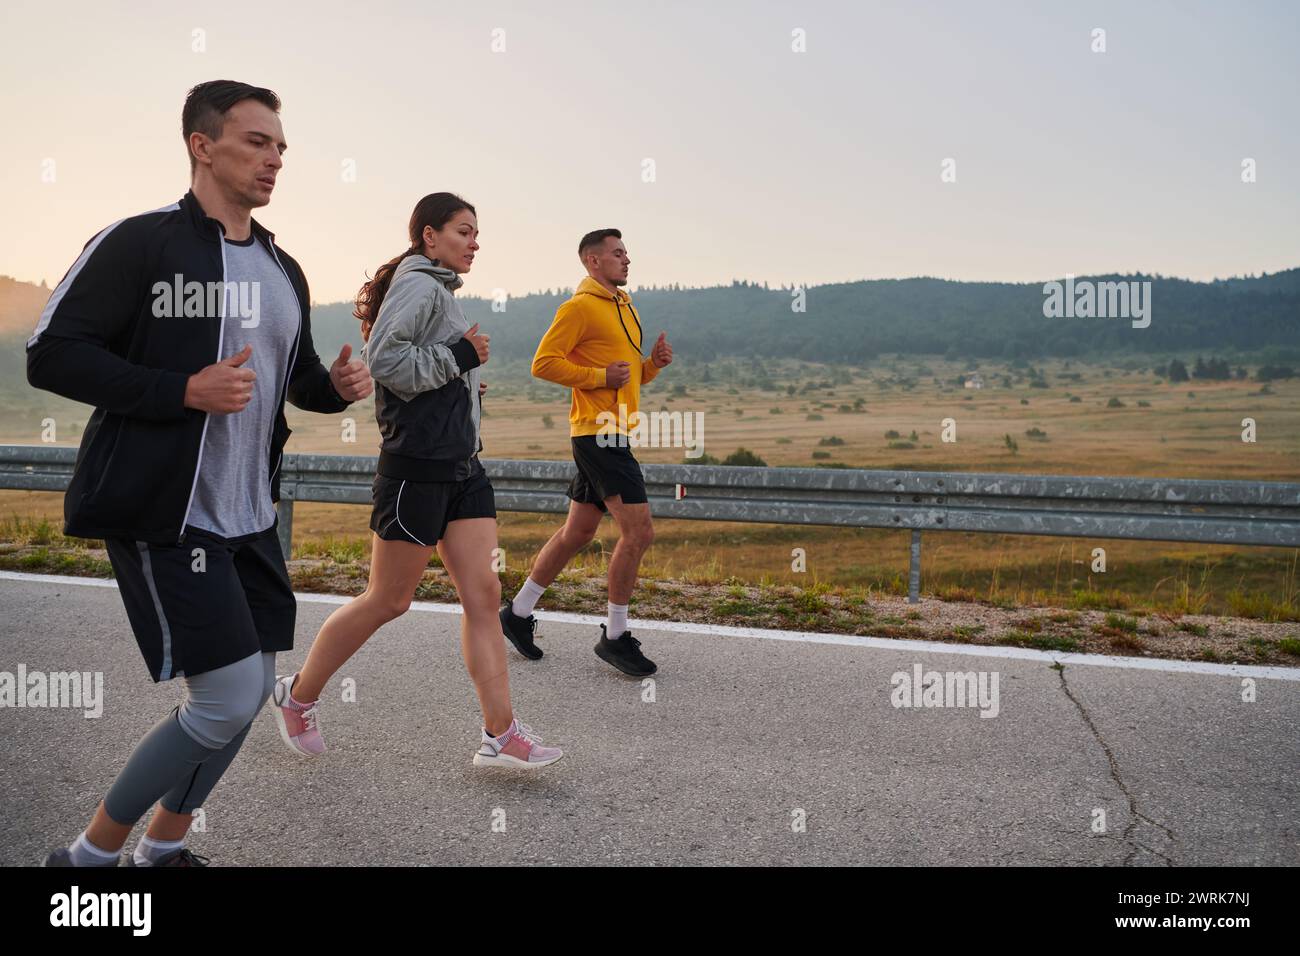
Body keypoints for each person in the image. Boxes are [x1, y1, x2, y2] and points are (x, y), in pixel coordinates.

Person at [29, 80, 372, 866]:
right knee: (221, 700)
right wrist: (180, 391)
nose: (274, 158)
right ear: (202, 145)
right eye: (257, 141)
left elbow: (296, 379)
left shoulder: (284, 266)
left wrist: (335, 389)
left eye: (282, 146)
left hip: (250, 514)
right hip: (169, 512)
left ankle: (163, 852)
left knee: (245, 697)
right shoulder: (144, 242)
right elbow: (51, 351)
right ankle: (85, 860)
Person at [269, 193, 563, 770]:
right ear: (429, 236)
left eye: (477, 233)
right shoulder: (420, 284)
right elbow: (386, 362)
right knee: (389, 599)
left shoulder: (438, 289)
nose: (474, 242)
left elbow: (422, 370)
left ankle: (500, 736)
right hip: (417, 471)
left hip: (461, 468)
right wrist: (458, 355)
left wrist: (464, 392)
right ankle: (297, 694)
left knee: (484, 596)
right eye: (463, 231)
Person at [501, 228, 673, 676]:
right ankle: (615, 636)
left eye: (627, 252)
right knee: (639, 533)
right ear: (593, 262)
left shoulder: (626, 306)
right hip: (599, 434)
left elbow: (628, 375)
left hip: (616, 429)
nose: (626, 259)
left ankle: (516, 614)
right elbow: (543, 362)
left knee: (577, 532)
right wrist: (598, 376)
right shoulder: (578, 307)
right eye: (618, 253)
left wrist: (651, 365)